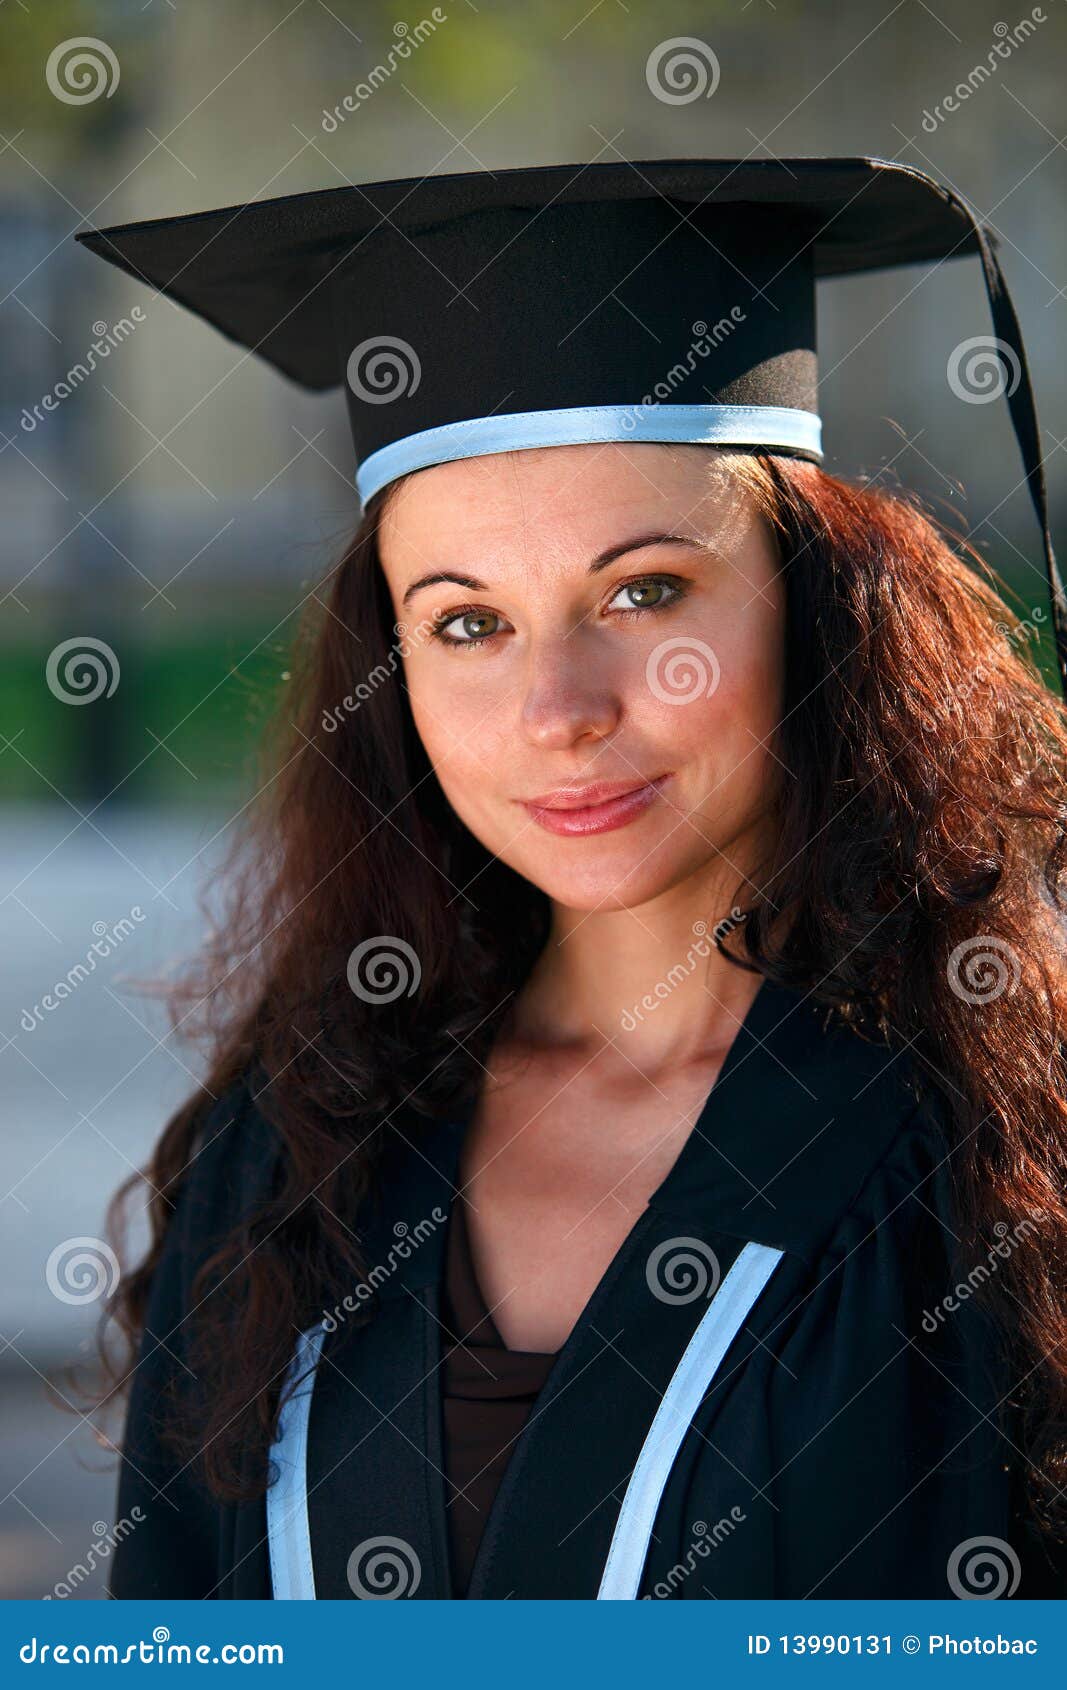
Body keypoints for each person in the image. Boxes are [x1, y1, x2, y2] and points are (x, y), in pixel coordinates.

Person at [73, 158, 1067, 1599]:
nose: (561, 709)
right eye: (466, 621)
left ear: (819, 604)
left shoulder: (1000, 1137)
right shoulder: (296, 1144)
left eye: (645, 592)